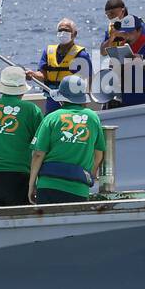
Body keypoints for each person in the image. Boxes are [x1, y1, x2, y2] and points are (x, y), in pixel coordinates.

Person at [0, 66, 45, 208]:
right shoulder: (31, 110)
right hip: (18, 175)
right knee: (19, 221)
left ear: (1, 87)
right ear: (23, 89)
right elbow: (40, 144)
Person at [28, 74, 106, 205]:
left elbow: (38, 154)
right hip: (78, 189)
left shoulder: (51, 118)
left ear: (61, 98)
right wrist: (88, 176)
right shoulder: (93, 118)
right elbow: (98, 154)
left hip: (48, 186)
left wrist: (31, 185)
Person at [30, 18, 91, 112]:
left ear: (74, 34)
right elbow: (43, 75)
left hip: (72, 99)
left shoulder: (81, 55)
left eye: (66, 30)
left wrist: (84, 102)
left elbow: (88, 80)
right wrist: (32, 74)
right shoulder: (48, 51)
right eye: (60, 30)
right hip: (52, 96)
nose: (63, 33)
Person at [103, 14, 145, 108]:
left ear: (139, 30)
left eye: (130, 32)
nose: (127, 35)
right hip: (126, 99)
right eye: (125, 32)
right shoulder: (121, 48)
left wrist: (142, 63)